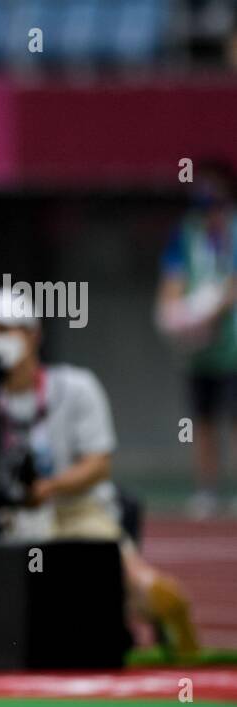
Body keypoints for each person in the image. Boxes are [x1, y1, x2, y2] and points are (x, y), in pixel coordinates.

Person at [0, 298, 199, 657]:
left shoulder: (75, 387)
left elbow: (98, 464)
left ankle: (177, 635)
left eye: (2, 330)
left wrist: (49, 488)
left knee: (146, 591)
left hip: (77, 512)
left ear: (33, 335)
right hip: (6, 519)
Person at [156, 159, 237, 518]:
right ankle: (206, 490)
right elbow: (172, 280)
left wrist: (213, 307)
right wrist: (175, 314)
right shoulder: (186, 232)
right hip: (199, 350)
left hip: (233, 346)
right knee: (201, 421)